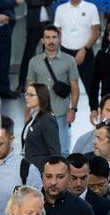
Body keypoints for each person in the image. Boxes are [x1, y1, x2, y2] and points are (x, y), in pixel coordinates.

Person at [26, 24, 81, 153]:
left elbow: (74, 86)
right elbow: (30, 90)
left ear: (59, 39)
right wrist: (27, 113)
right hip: (38, 114)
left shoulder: (69, 60)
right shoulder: (34, 62)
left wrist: (73, 109)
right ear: (42, 40)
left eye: (54, 37)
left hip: (61, 113)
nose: (51, 41)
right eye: (48, 37)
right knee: (38, 149)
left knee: (63, 150)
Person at [18, 0, 58, 94]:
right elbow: (32, 2)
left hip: (48, 24)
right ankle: (22, 84)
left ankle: (47, 83)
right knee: (28, 54)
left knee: (48, 54)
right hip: (34, 25)